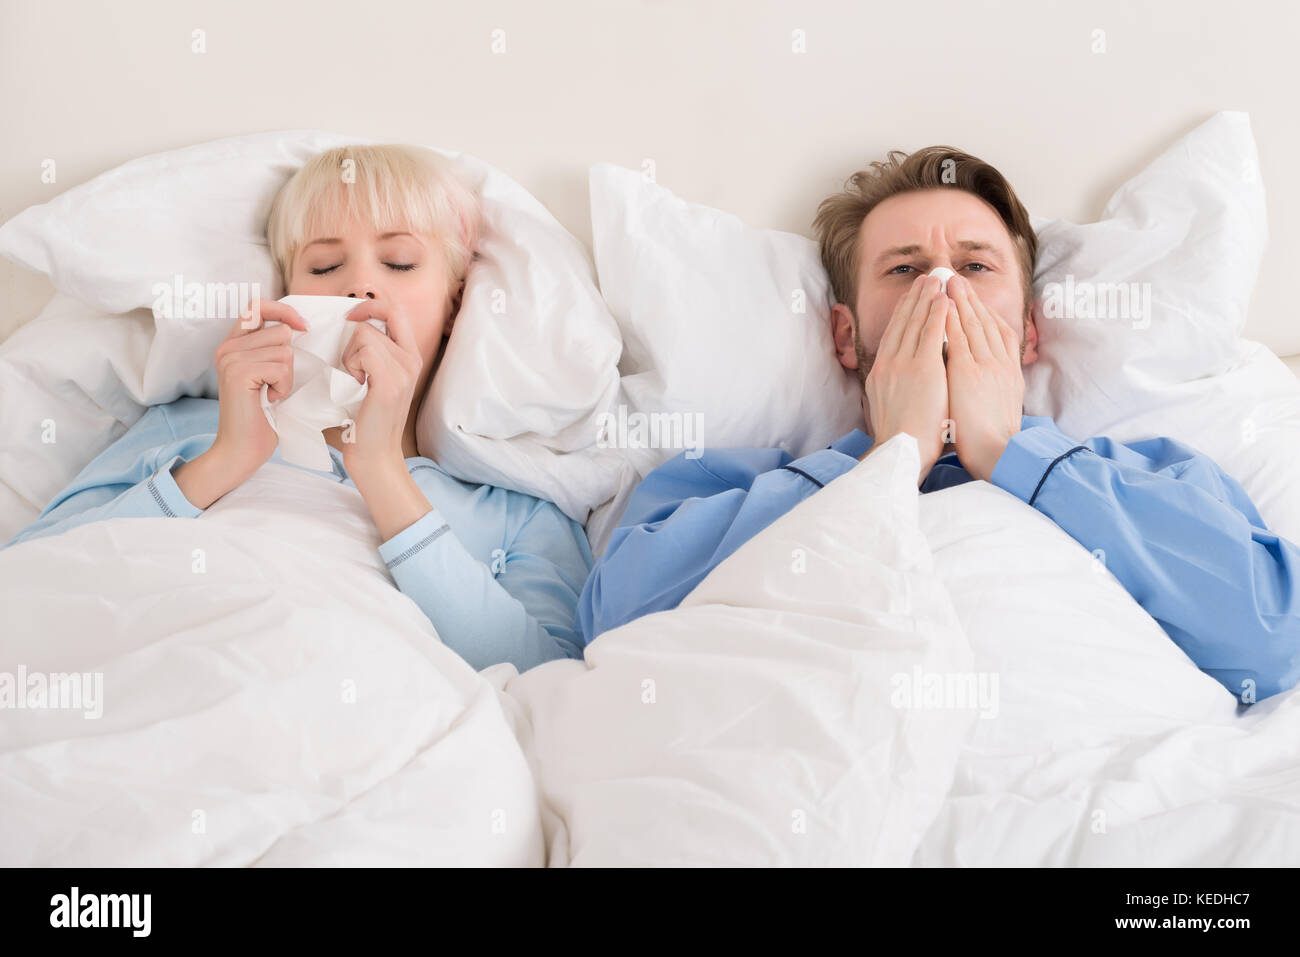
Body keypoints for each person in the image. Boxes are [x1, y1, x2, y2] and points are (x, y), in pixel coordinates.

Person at [577, 145, 1300, 703]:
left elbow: (1272, 639)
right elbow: (615, 626)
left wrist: (1014, 454)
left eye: (976, 267)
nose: (942, 288)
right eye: (903, 269)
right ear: (845, 336)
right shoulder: (727, 485)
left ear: (1027, 334)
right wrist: (888, 460)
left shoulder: (1151, 481)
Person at [4, 145, 592, 674]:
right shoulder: (183, 431)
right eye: (325, 267)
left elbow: (542, 675)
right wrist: (228, 458)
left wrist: (383, 472)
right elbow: (34, 577)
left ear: (456, 299)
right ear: (288, 292)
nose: (359, 287)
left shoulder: (516, 507)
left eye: (400, 263)